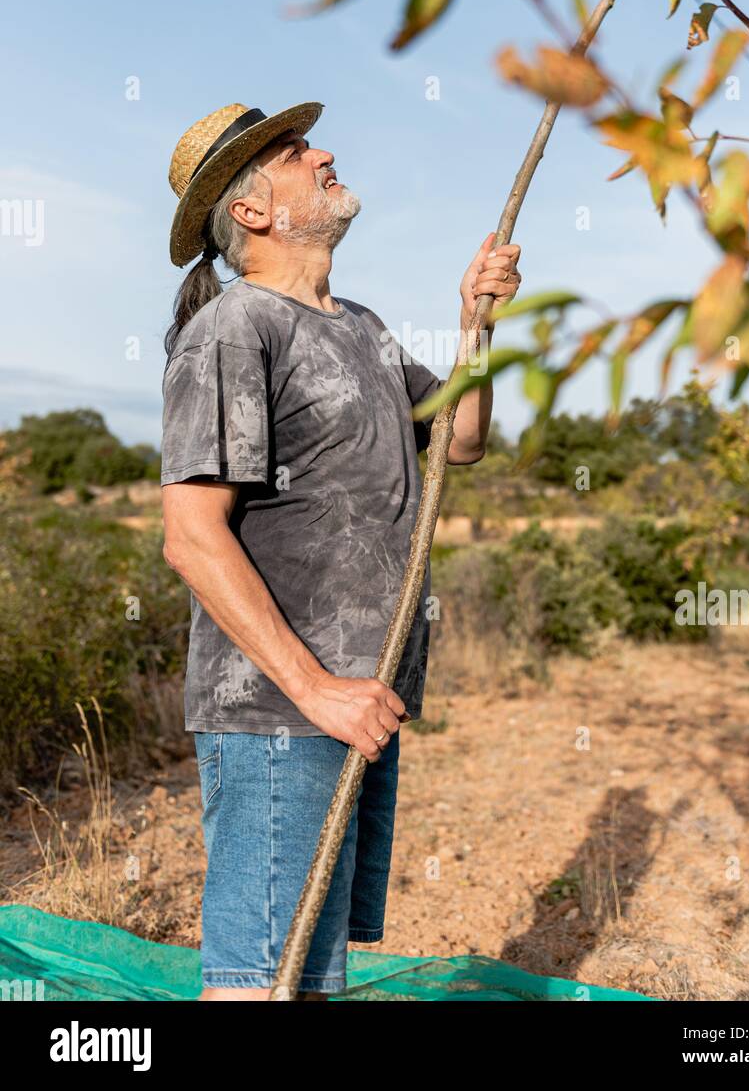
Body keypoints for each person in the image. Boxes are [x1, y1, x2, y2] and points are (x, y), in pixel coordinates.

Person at [160, 100, 522, 1000]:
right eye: (293, 152)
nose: (323, 153)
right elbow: (191, 537)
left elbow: (461, 442)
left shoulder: (360, 325)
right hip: (283, 709)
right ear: (252, 212)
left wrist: (475, 323)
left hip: (360, 699)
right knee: (259, 980)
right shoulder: (235, 329)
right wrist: (316, 689)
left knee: (309, 975)